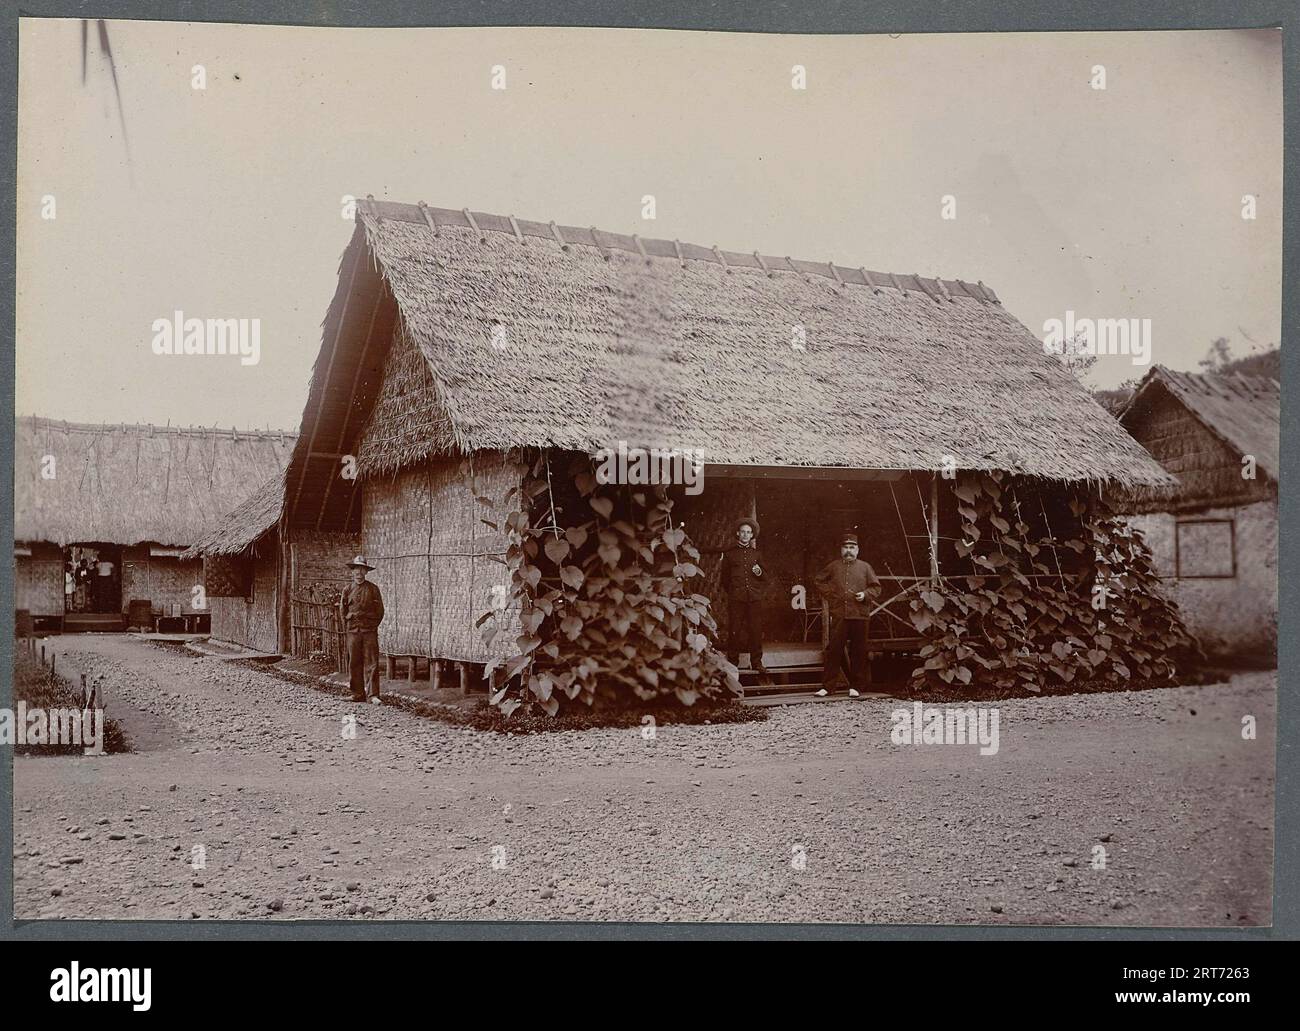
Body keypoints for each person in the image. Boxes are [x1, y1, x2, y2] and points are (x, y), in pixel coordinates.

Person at [813, 532, 881, 697]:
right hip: (840, 614)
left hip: (860, 615)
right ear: (841, 549)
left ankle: (856, 687)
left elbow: (876, 588)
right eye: (845, 547)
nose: (848, 550)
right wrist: (831, 595)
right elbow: (818, 580)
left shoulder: (865, 567)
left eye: (852, 547)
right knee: (834, 650)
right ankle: (828, 687)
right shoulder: (834, 566)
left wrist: (865, 594)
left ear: (857, 550)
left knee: (858, 651)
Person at [719, 517, 768, 675]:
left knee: (755, 630)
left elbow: (765, 577)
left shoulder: (757, 554)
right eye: (743, 532)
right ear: (738, 534)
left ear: (752, 535)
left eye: (749, 532)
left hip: (754, 598)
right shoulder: (729, 555)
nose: (746, 535)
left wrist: (759, 573)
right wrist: (735, 593)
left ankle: (757, 663)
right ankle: (733, 663)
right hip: (736, 598)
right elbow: (724, 580)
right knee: (735, 630)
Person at [339, 555, 385, 704]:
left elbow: (380, 611)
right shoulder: (347, 590)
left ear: (366, 572)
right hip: (353, 631)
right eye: (356, 569)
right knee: (354, 662)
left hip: (369, 631)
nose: (359, 572)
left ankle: (373, 695)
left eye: (362, 569)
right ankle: (357, 693)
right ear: (352, 571)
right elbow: (342, 611)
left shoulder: (373, 589)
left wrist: (371, 625)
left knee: (372, 662)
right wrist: (348, 624)